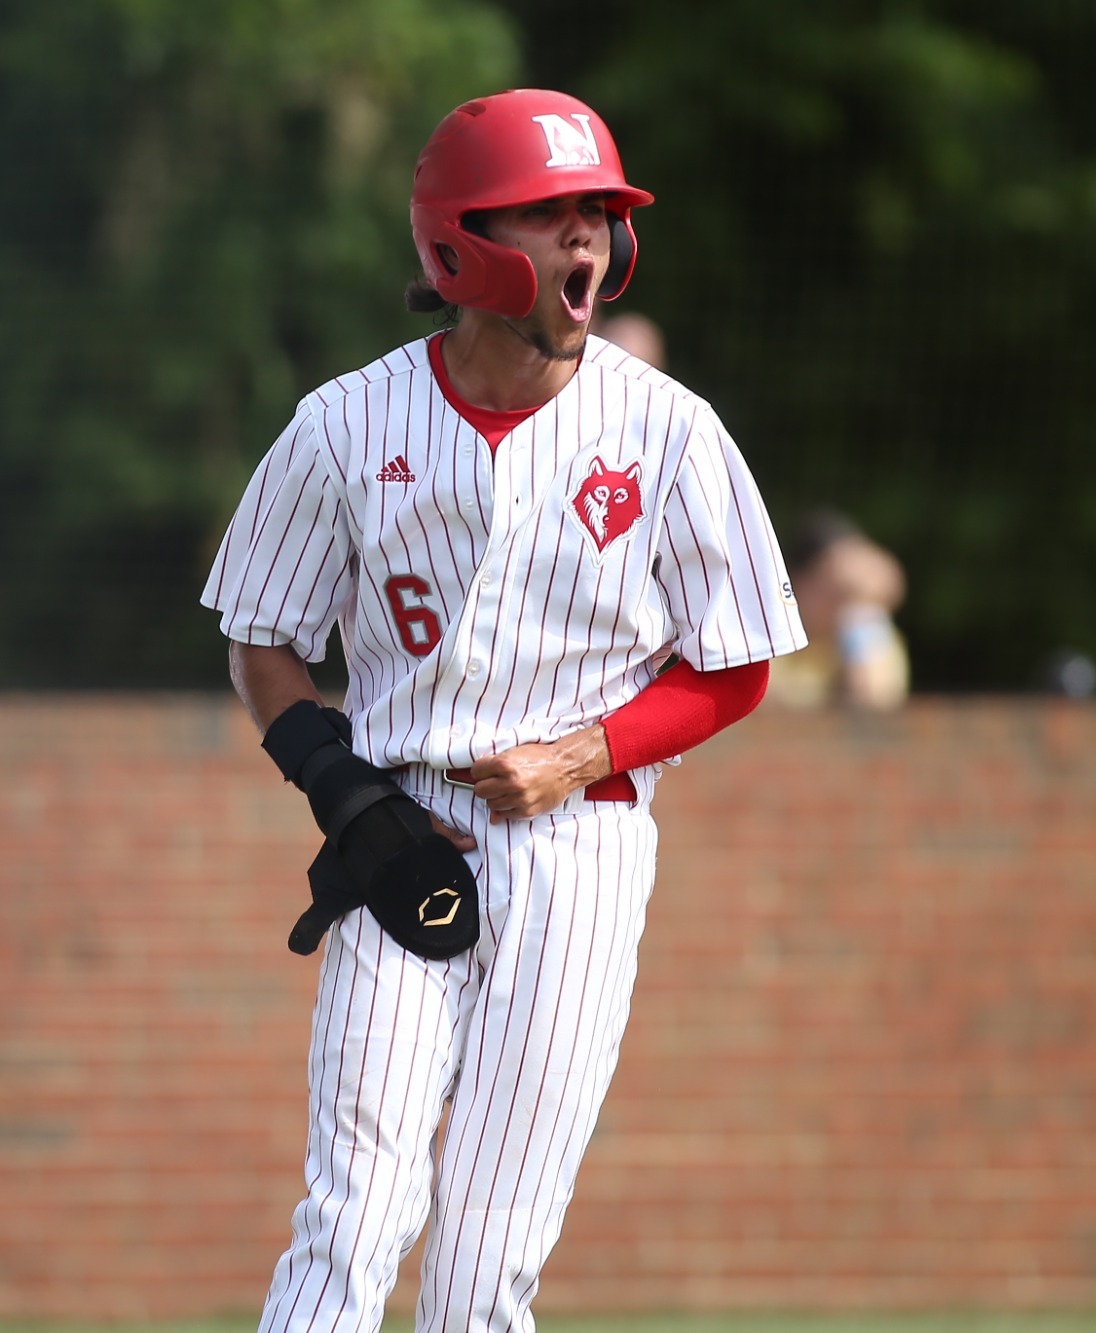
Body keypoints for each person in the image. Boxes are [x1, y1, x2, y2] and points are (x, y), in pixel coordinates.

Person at [202, 89, 804, 1332]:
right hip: (396, 831)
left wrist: (585, 753)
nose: (584, 235)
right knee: (351, 1216)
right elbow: (261, 636)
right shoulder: (344, 423)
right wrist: (340, 789)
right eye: (548, 211)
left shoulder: (667, 429)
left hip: (579, 847)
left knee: (485, 1256)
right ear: (459, 241)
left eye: (596, 211)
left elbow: (735, 664)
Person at [769, 510, 910, 710]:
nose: (842, 603)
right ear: (797, 581)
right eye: (832, 589)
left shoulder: (867, 630)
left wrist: (859, 622)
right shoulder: (768, 639)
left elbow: (874, 703)